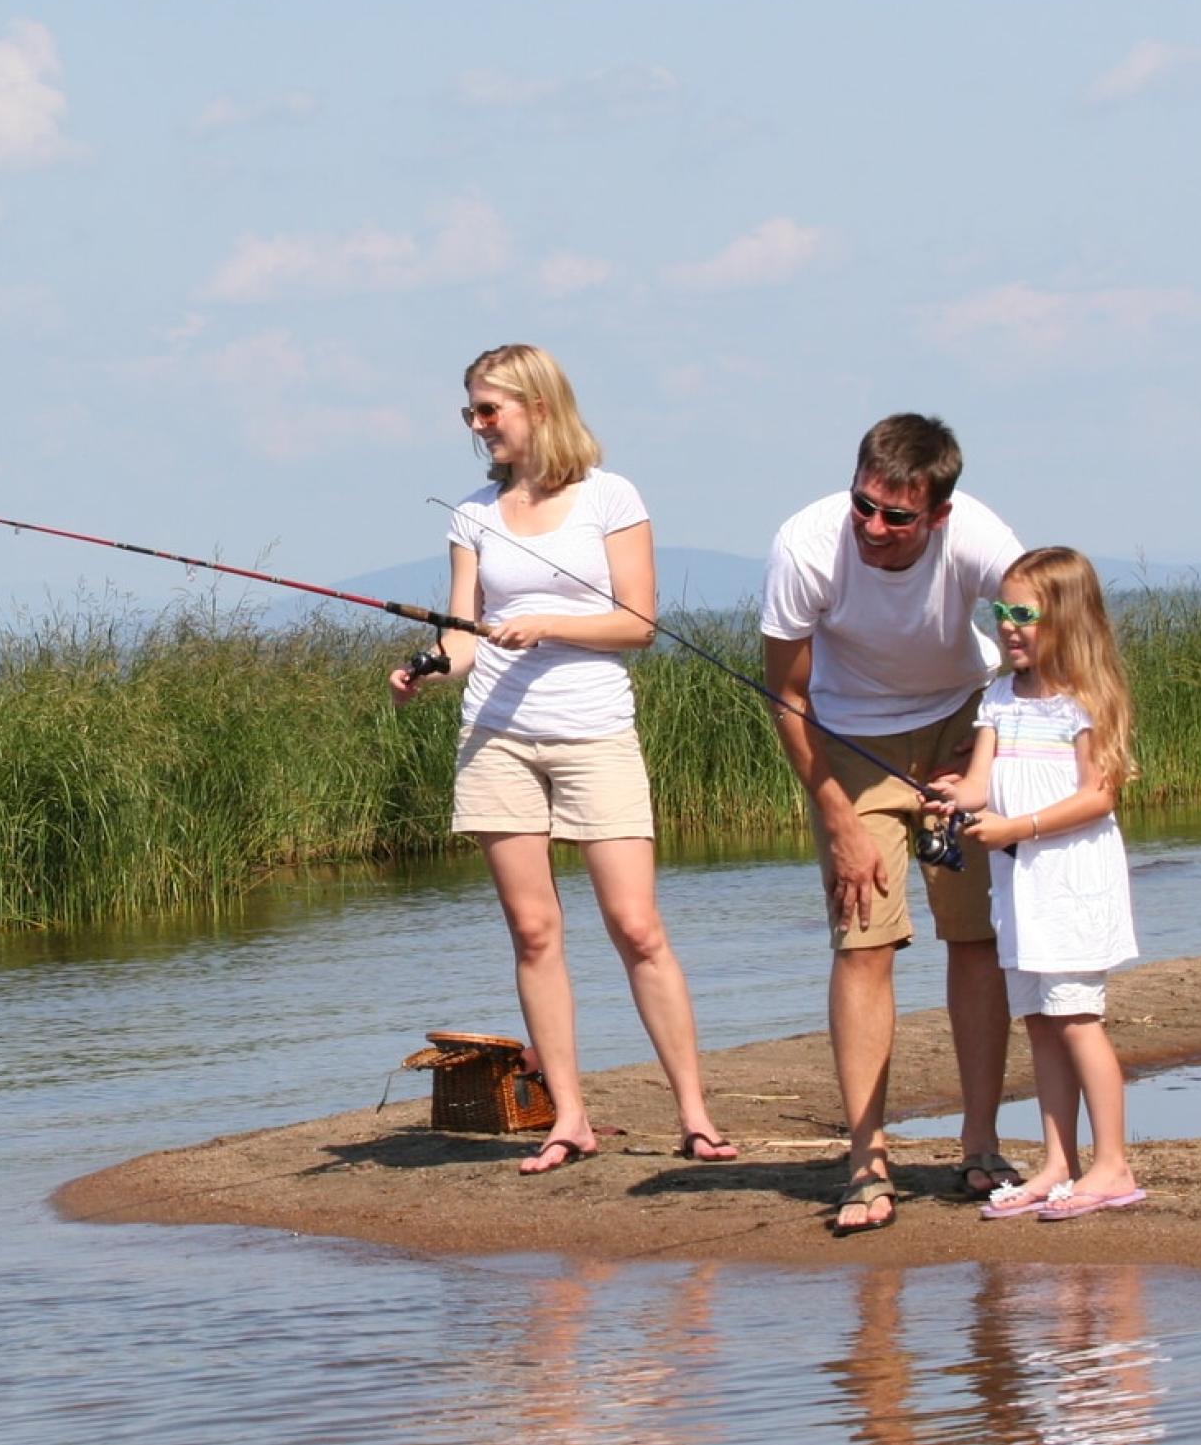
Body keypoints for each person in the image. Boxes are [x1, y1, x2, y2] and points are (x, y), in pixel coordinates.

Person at [390, 343, 735, 1175]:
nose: (477, 426)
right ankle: (569, 1118)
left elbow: (638, 624)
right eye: (470, 411)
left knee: (637, 927)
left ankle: (694, 1115)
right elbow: (464, 637)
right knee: (535, 931)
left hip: (594, 732)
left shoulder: (610, 497)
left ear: (537, 408)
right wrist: (430, 668)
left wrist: (547, 624)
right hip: (497, 739)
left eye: (488, 410)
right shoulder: (472, 515)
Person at [761, 414, 1022, 1233]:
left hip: (962, 718)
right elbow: (786, 697)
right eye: (863, 506)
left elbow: (1044, 630)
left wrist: (984, 766)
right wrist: (837, 817)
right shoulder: (806, 545)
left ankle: (979, 1143)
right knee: (863, 940)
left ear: (937, 515)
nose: (874, 528)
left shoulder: (980, 535)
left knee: (974, 935)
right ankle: (866, 1160)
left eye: (897, 517)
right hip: (849, 737)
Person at [931, 548, 1144, 1221]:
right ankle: (1059, 1162)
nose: (1010, 627)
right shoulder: (999, 695)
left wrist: (1016, 825)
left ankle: (1112, 1163)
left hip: (1073, 884)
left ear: (1066, 619)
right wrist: (953, 796)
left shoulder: (1084, 701)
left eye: (1025, 615)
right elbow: (978, 784)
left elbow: (1098, 797)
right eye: (1002, 613)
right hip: (1018, 889)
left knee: (1079, 1020)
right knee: (1041, 1022)